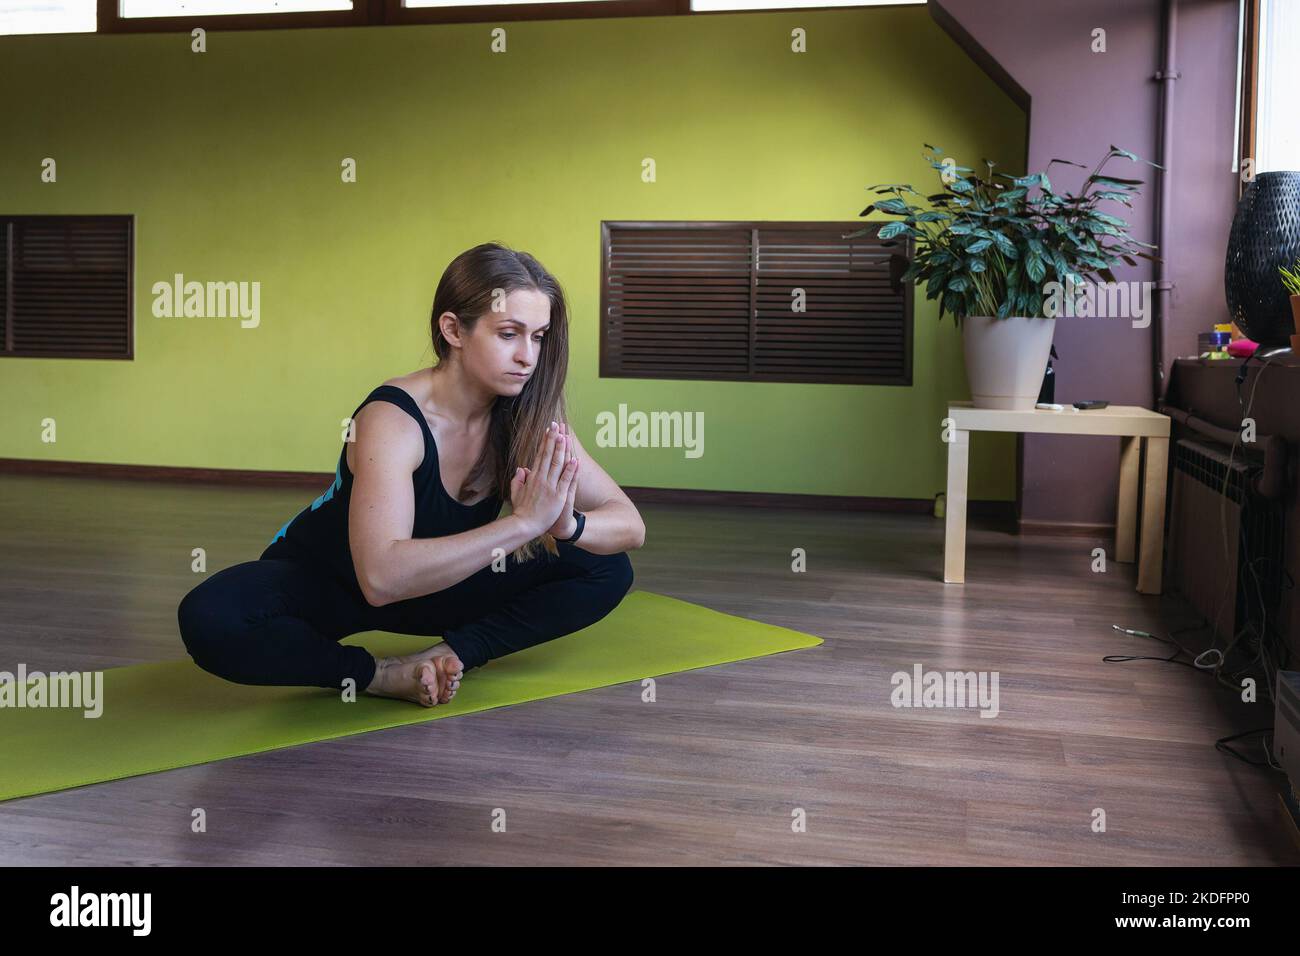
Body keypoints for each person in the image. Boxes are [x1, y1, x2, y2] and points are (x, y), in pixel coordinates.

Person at [177, 242, 645, 707]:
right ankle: (380, 675)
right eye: (509, 333)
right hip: (338, 583)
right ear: (453, 330)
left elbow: (629, 525)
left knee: (605, 565)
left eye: (538, 336)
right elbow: (380, 578)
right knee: (211, 617)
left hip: (439, 580)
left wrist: (567, 525)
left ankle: (451, 655)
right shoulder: (391, 419)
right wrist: (524, 523)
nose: (528, 356)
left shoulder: (527, 414)